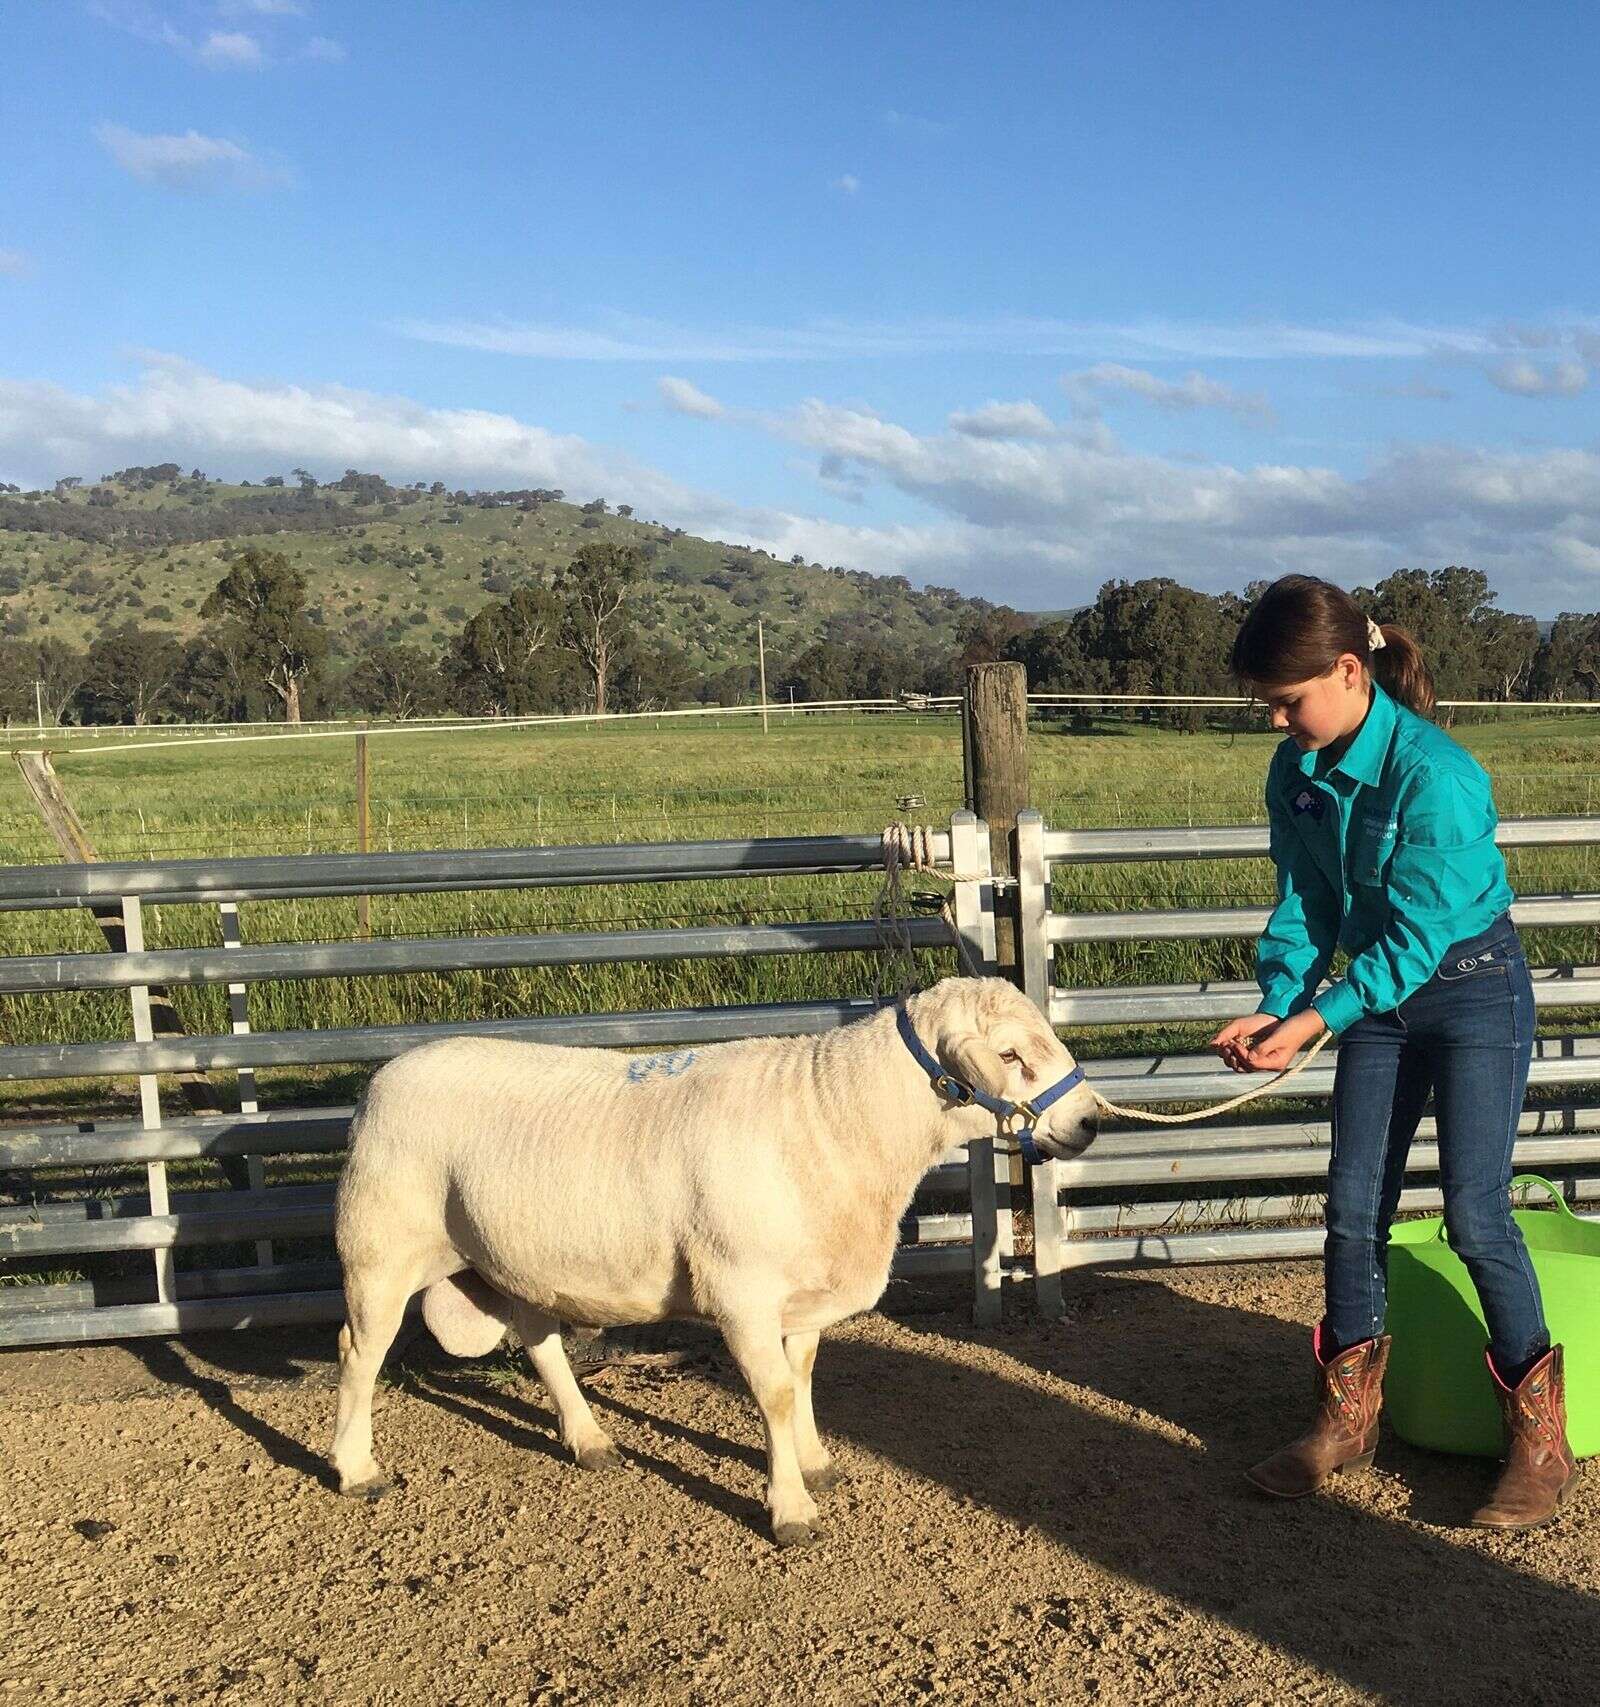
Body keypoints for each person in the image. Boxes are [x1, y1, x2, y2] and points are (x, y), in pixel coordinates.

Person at [1211, 574, 1577, 1529]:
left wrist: (1318, 1018)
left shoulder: (1438, 775)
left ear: (1347, 669)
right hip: (1372, 993)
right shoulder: (1298, 770)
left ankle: (1541, 1445)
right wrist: (1280, 1006)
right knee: (1350, 1204)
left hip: (1470, 990)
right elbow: (1307, 903)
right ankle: (1345, 1420)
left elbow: (1418, 938)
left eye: (1289, 701)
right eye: (1270, 707)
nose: (1281, 722)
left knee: (1475, 1212)